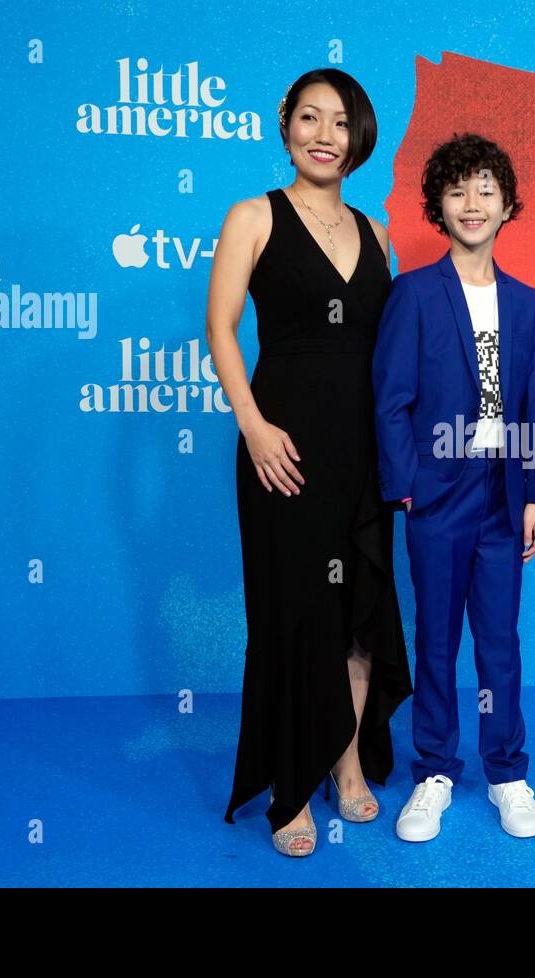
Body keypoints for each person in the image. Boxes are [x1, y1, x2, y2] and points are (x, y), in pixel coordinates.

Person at [206, 68, 413, 857]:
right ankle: (290, 784)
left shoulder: (378, 231)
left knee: (359, 612)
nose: (324, 134)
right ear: (286, 126)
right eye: (309, 118)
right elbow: (222, 328)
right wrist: (254, 427)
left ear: (359, 137)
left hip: (359, 455)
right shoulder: (253, 216)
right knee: (293, 617)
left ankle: (347, 762)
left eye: (340, 121)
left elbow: (389, 356)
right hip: (282, 452)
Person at [372, 132, 535, 842]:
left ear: (507, 205)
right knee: (437, 640)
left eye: (485, 189)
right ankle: (436, 771)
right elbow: (389, 399)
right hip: (436, 497)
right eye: (456, 191)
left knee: (499, 641)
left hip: (503, 498)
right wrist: (407, 489)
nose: (471, 203)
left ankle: (508, 772)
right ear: (437, 210)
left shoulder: (526, 302)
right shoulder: (414, 294)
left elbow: (534, 399)